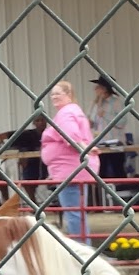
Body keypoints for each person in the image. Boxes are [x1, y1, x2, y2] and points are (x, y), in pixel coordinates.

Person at [41, 81, 99, 241]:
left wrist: (83, 148)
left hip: (70, 170)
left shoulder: (66, 113)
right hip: (74, 169)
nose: (54, 97)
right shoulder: (73, 111)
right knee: (77, 211)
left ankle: (81, 248)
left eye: (58, 93)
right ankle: (84, 246)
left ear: (68, 94)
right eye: (52, 94)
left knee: (73, 211)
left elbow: (71, 135)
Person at [88, 75, 127, 184]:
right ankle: (103, 196)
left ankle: (121, 196)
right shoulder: (96, 104)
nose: (95, 90)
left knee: (118, 170)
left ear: (104, 89)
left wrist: (105, 115)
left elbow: (122, 122)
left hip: (115, 143)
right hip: (100, 143)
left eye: (98, 87)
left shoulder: (117, 102)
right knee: (101, 171)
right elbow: (93, 122)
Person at [6, 113, 48, 203]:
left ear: (47, 121)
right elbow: (6, 136)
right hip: (32, 164)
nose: (40, 122)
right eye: (37, 120)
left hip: (48, 163)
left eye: (42, 120)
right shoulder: (27, 134)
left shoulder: (52, 133)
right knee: (27, 181)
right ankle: (34, 203)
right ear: (33, 123)